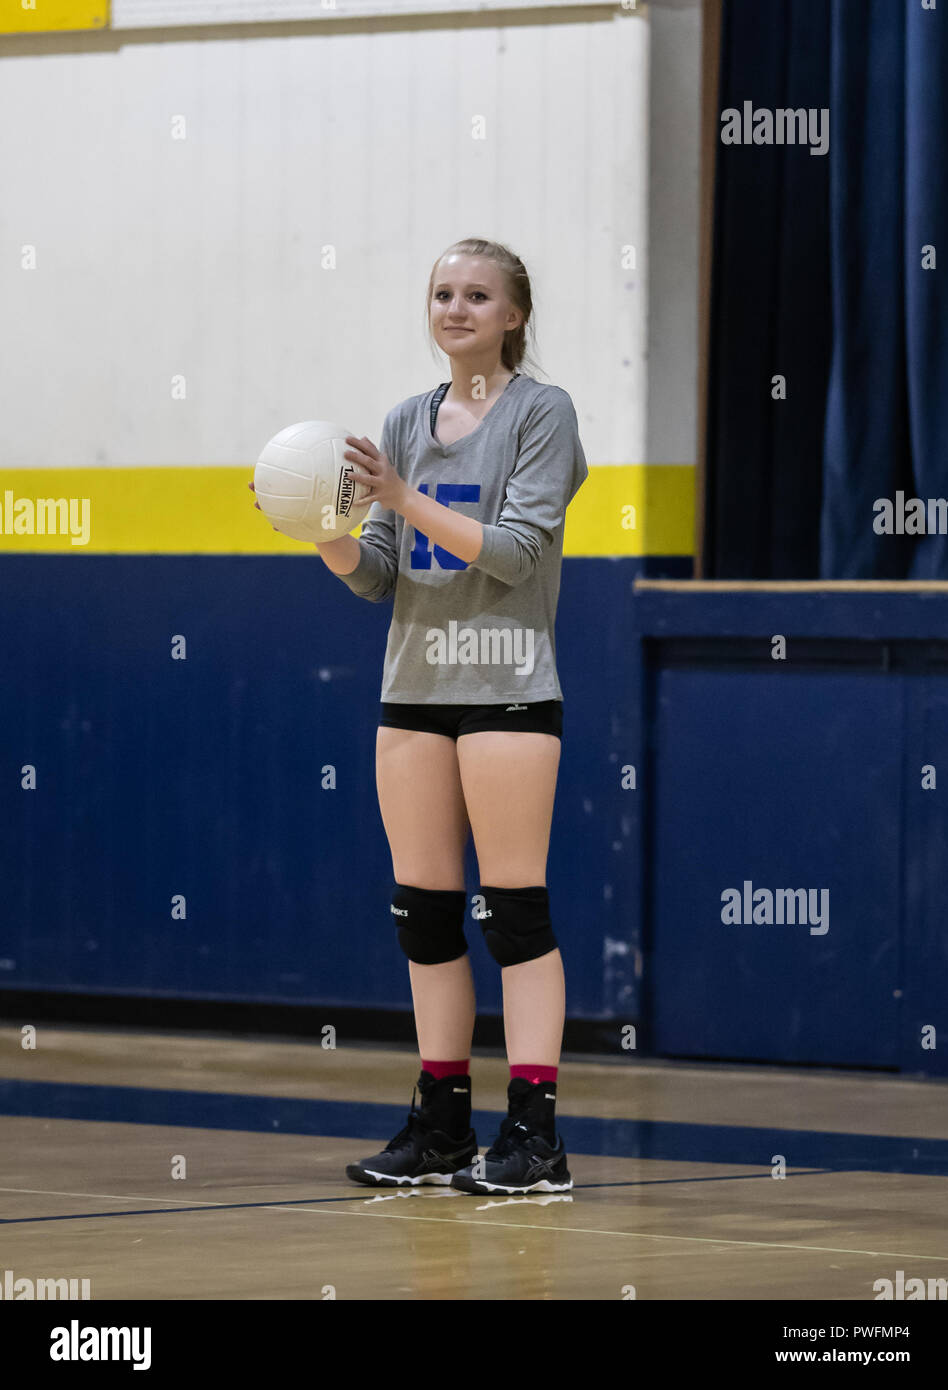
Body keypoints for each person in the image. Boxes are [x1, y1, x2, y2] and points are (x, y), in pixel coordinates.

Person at [254, 237, 588, 1194]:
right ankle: (441, 1123)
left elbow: (519, 553)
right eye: (443, 293)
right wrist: (323, 534)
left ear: (514, 315)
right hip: (413, 693)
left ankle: (536, 1136)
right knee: (424, 917)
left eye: (478, 295)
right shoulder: (403, 419)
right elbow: (383, 579)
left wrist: (397, 495)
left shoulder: (541, 412)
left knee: (515, 915)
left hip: (508, 689)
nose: (456, 309)